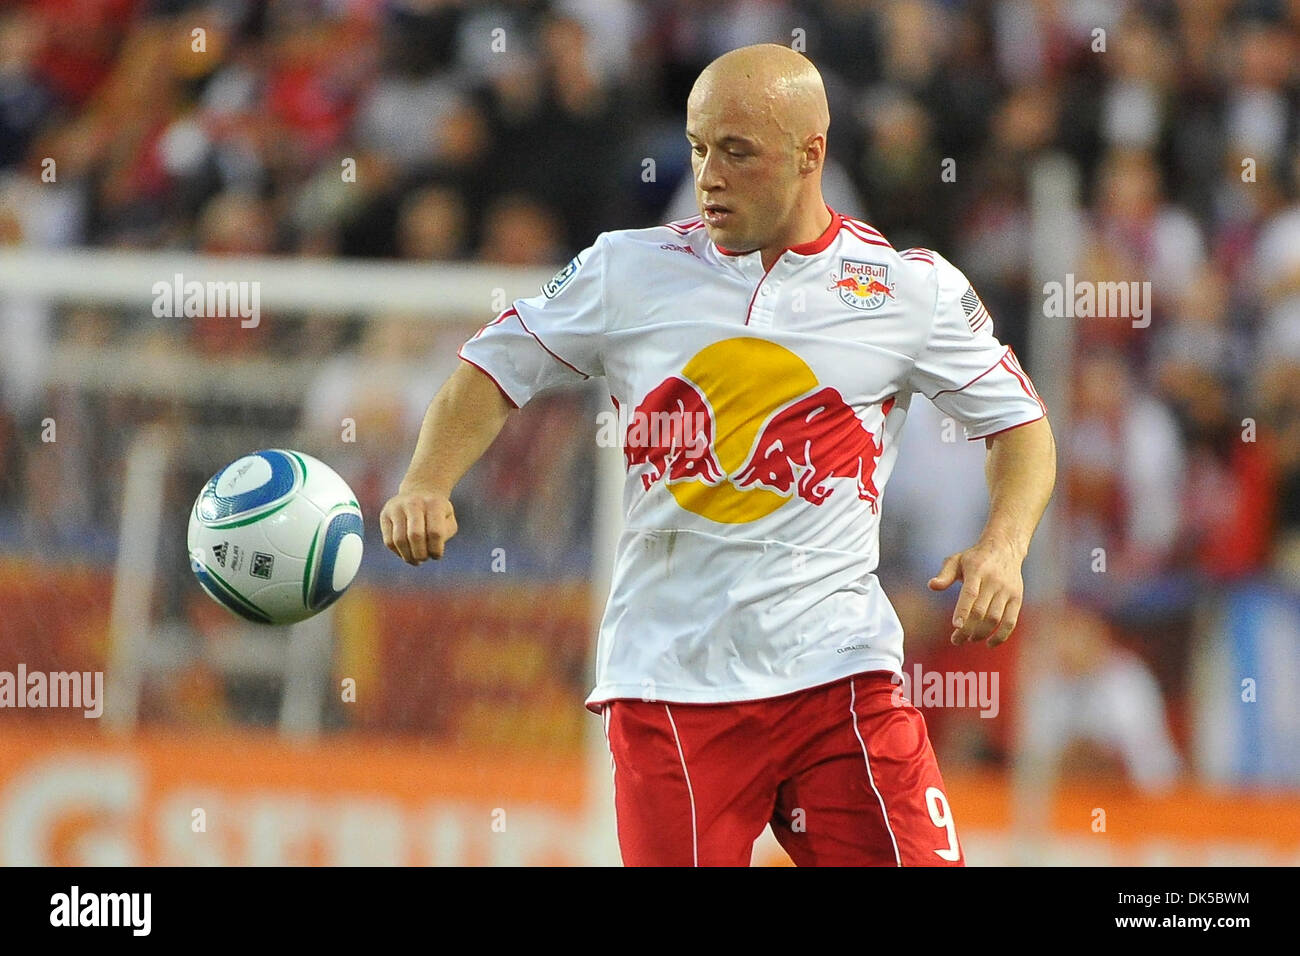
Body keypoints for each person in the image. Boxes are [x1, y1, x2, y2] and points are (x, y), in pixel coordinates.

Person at [381, 44, 1056, 866]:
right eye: (700, 148)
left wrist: (1004, 545)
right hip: (672, 686)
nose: (709, 175)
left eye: (738, 151)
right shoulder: (627, 271)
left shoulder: (906, 290)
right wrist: (425, 480)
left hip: (841, 676)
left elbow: (1020, 427)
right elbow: (490, 370)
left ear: (811, 154)